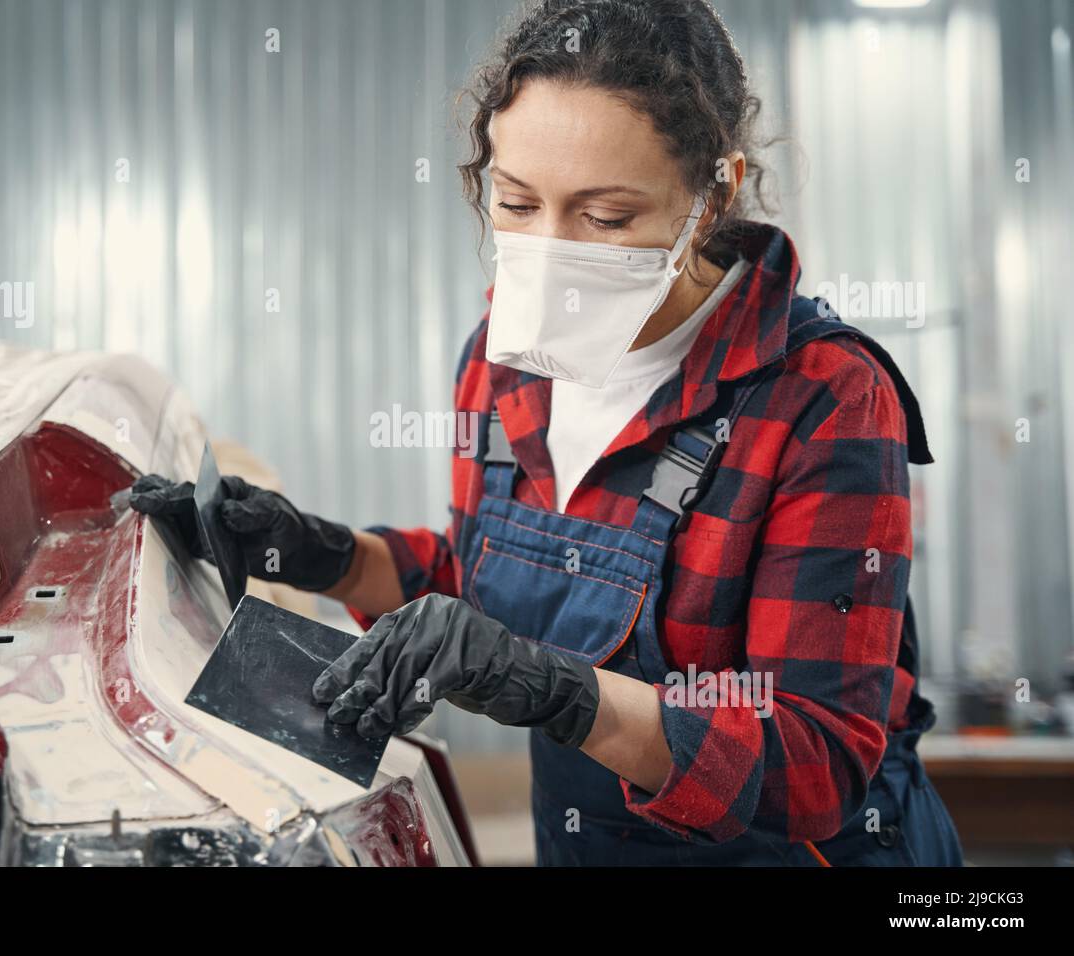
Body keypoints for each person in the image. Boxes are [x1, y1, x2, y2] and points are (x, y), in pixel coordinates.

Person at [132, 0, 963, 866]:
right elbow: (480, 572)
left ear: (712, 192)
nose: (553, 252)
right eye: (518, 204)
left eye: (605, 220)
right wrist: (309, 550)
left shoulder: (821, 400)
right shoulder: (501, 365)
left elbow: (815, 765)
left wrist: (555, 691)